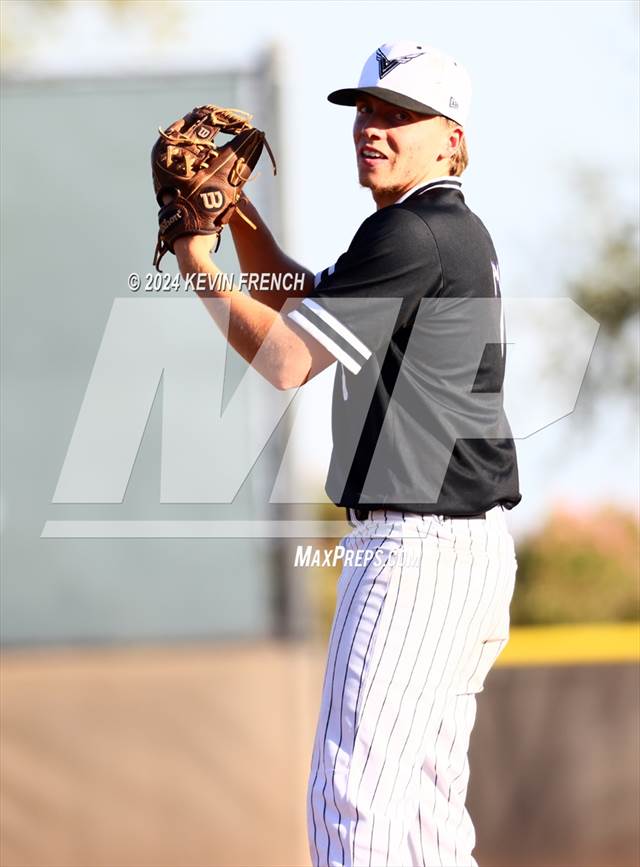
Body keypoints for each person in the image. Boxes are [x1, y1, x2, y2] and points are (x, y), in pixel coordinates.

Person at [173, 40, 521, 867]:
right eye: (366, 109)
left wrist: (193, 260)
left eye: (400, 114)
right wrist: (239, 217)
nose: (373, 126)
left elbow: (287, 358)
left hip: (416, 549)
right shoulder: (439, 231)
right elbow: (304, 301)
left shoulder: (411, 233)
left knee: (351, 800)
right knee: (426, 819)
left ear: (452, 139)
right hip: (459, 551)